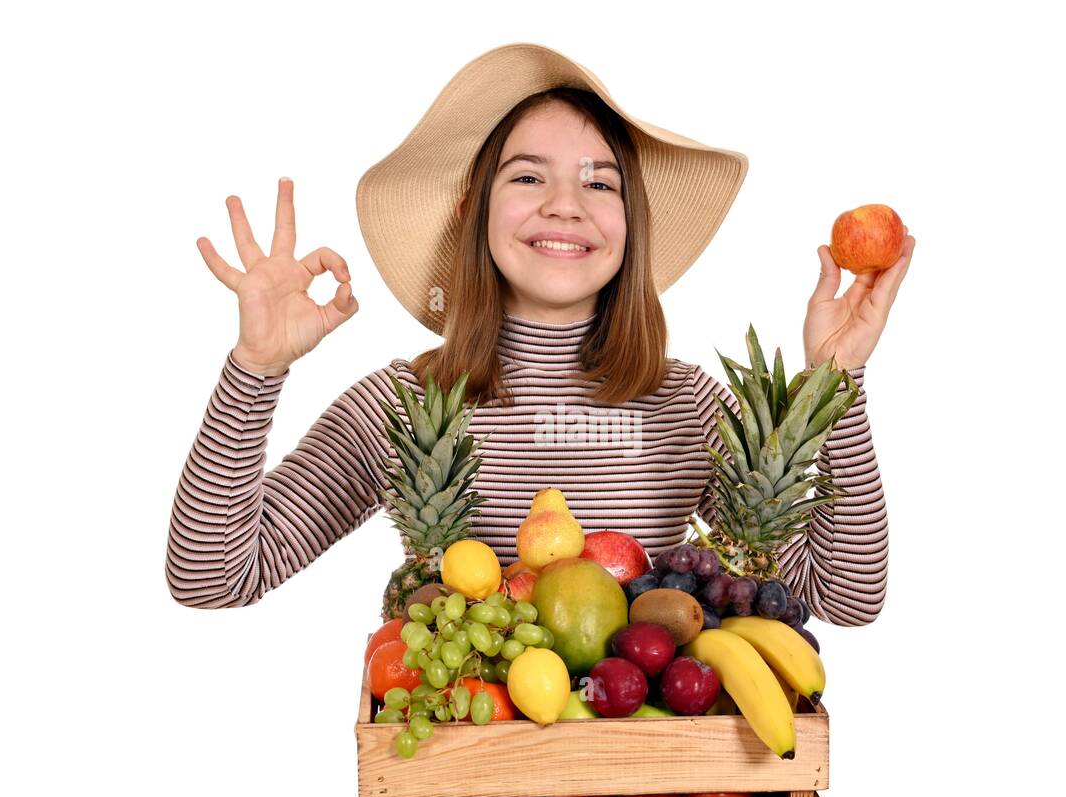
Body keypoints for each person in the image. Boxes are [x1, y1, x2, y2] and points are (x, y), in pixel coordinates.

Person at [165, 43, 911, 627]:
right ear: (471, 213)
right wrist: (254, 369)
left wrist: (836, 385)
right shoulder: (400, 406)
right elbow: (211, 577)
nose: (565, 205)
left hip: (649, 786)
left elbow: (843, 599)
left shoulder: (688, 406)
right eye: (527, 178)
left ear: (630, 227)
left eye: (599, 181)